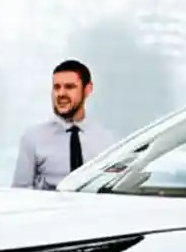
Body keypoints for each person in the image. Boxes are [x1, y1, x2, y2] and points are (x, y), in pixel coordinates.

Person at [11, 59, 115, 190]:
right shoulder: (33, 138)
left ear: (87, 89)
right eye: (56, 87)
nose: (61, 94)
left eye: (69, 87)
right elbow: (20, 191)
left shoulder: (105, 140)